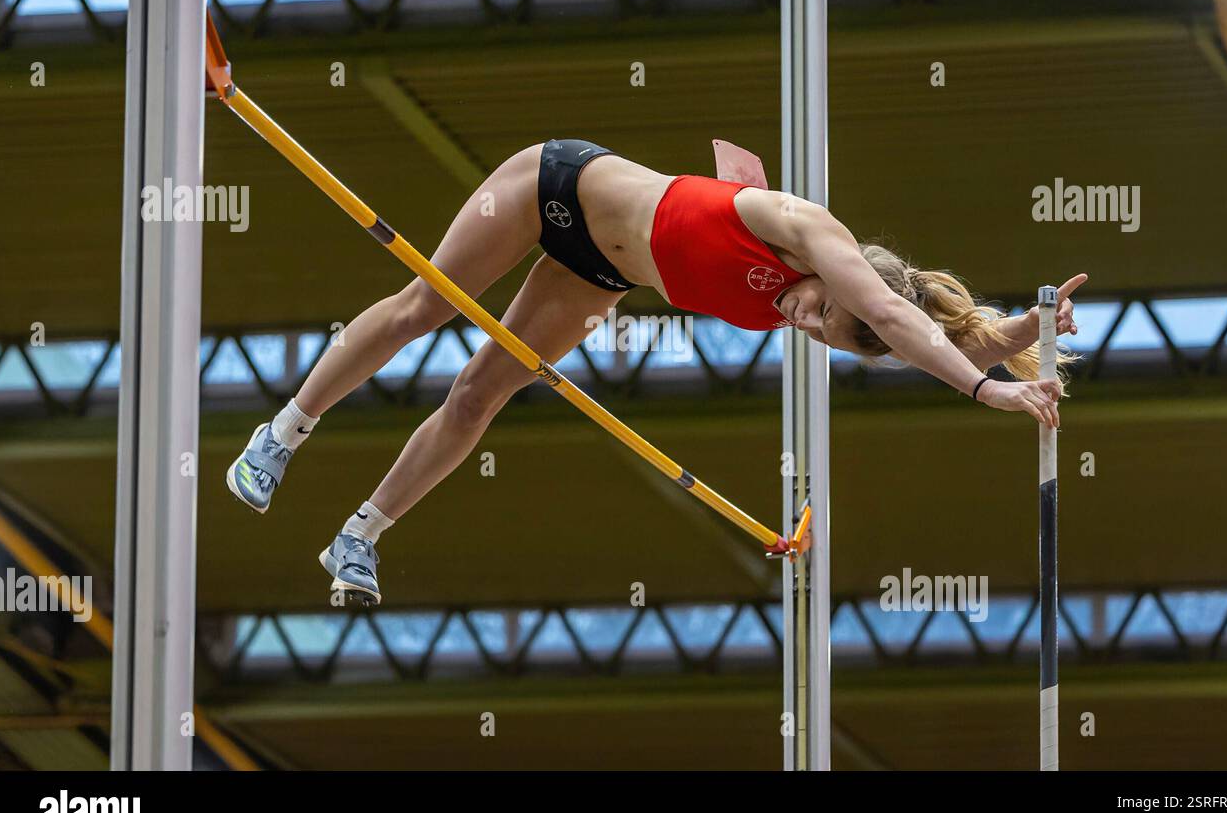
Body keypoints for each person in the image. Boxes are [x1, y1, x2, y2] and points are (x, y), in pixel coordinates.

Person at [226, 139, 1084, 605]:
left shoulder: (855, 311)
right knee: (426, 306)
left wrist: (1017, 338)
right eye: (818, 307)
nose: (802, 317)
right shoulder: (810, 229)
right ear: (842, 273)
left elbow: (915, 336)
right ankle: (282, 432)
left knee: (482, 390)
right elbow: (894, 318)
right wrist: (989, 391)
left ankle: (361, 535)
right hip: (551, 185)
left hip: (600, 273)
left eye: (819, 331)